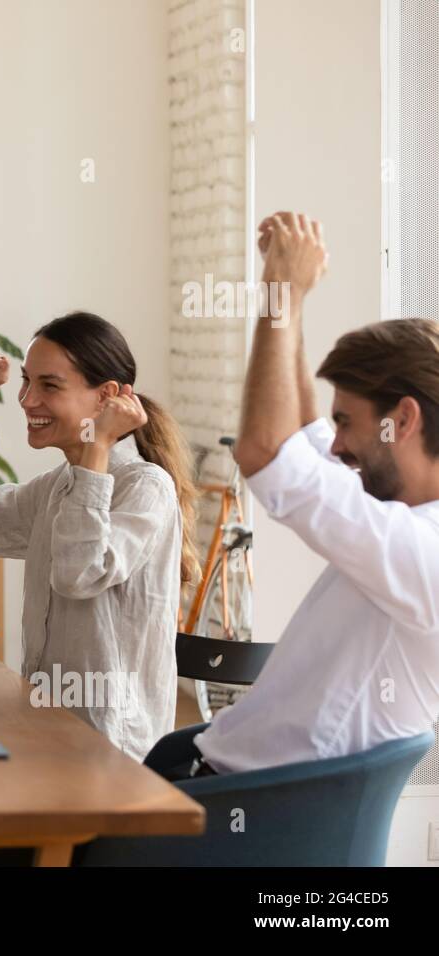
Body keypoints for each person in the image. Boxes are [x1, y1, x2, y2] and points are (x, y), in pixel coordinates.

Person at [183, 212, 439, 779]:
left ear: (404, 419)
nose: (338, 442)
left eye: (347, 422)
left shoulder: (424, 555)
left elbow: (264, 452)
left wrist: (283, 290)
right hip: (224, 776)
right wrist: (290, 299)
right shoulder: (399, 515)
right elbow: (300, 441)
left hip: (255, 813)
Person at [0, 313, 199, 761]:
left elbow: (78, 572)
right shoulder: (56, 488)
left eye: (49, 385)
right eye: (26, 382)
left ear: (107, 397)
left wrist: (98, 449)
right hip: (47, 734)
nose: (28, 400)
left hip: (112, 757)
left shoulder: (145, 488)